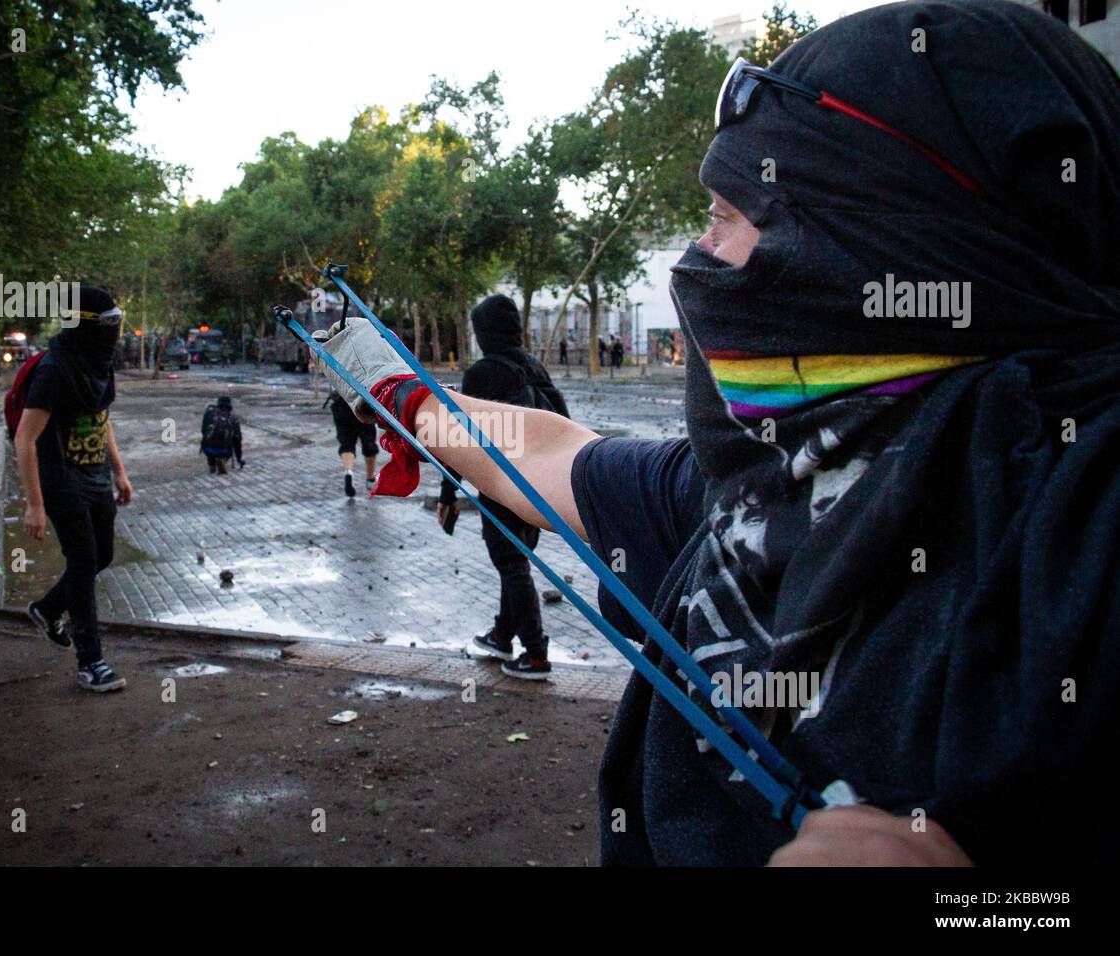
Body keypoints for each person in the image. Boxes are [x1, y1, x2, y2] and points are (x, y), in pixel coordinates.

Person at [313, 0, 1120, 865]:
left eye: (729, 217)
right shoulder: (749, 501)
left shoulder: (1084, 525)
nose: (695, 261)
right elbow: (549, 454)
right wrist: (399, 390)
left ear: (880, 238)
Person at [438, 294, 570, 679]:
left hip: (501, 486)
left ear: (483, 333)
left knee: (511, 564)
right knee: (517, 560)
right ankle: (501, 635)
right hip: (540, 483)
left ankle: (535, 654)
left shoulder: (484, 373)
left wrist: (449, 497)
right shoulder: (534, 367)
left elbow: (459, 438)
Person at [14, 286, 132, 693]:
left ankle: (47, 609)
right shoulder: (54, 369)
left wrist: (119, 470)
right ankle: (90, 662)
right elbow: (24, 439)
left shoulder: (98, 362)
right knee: (83, 563)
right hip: (61, 478)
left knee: (103, 556)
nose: (116, 331)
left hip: (96, 475)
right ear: (85, 325)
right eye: (111, 323)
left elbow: (102, 418)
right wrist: (34, 503)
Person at [328, 386, 377, 496]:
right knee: (369, 443)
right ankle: (370, 480)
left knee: (346, 444)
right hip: (362, 403)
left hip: (340, 403)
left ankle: (348, 473)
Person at [200, 394, 244, 474]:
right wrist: (239, 458)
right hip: (225, 450)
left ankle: (212, 465)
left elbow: (203, 431)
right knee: (230, 443)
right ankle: (222, 460)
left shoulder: (209, 413)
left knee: (208, 441)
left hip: (208, 449)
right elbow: (238, 439)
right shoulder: (232, 418)